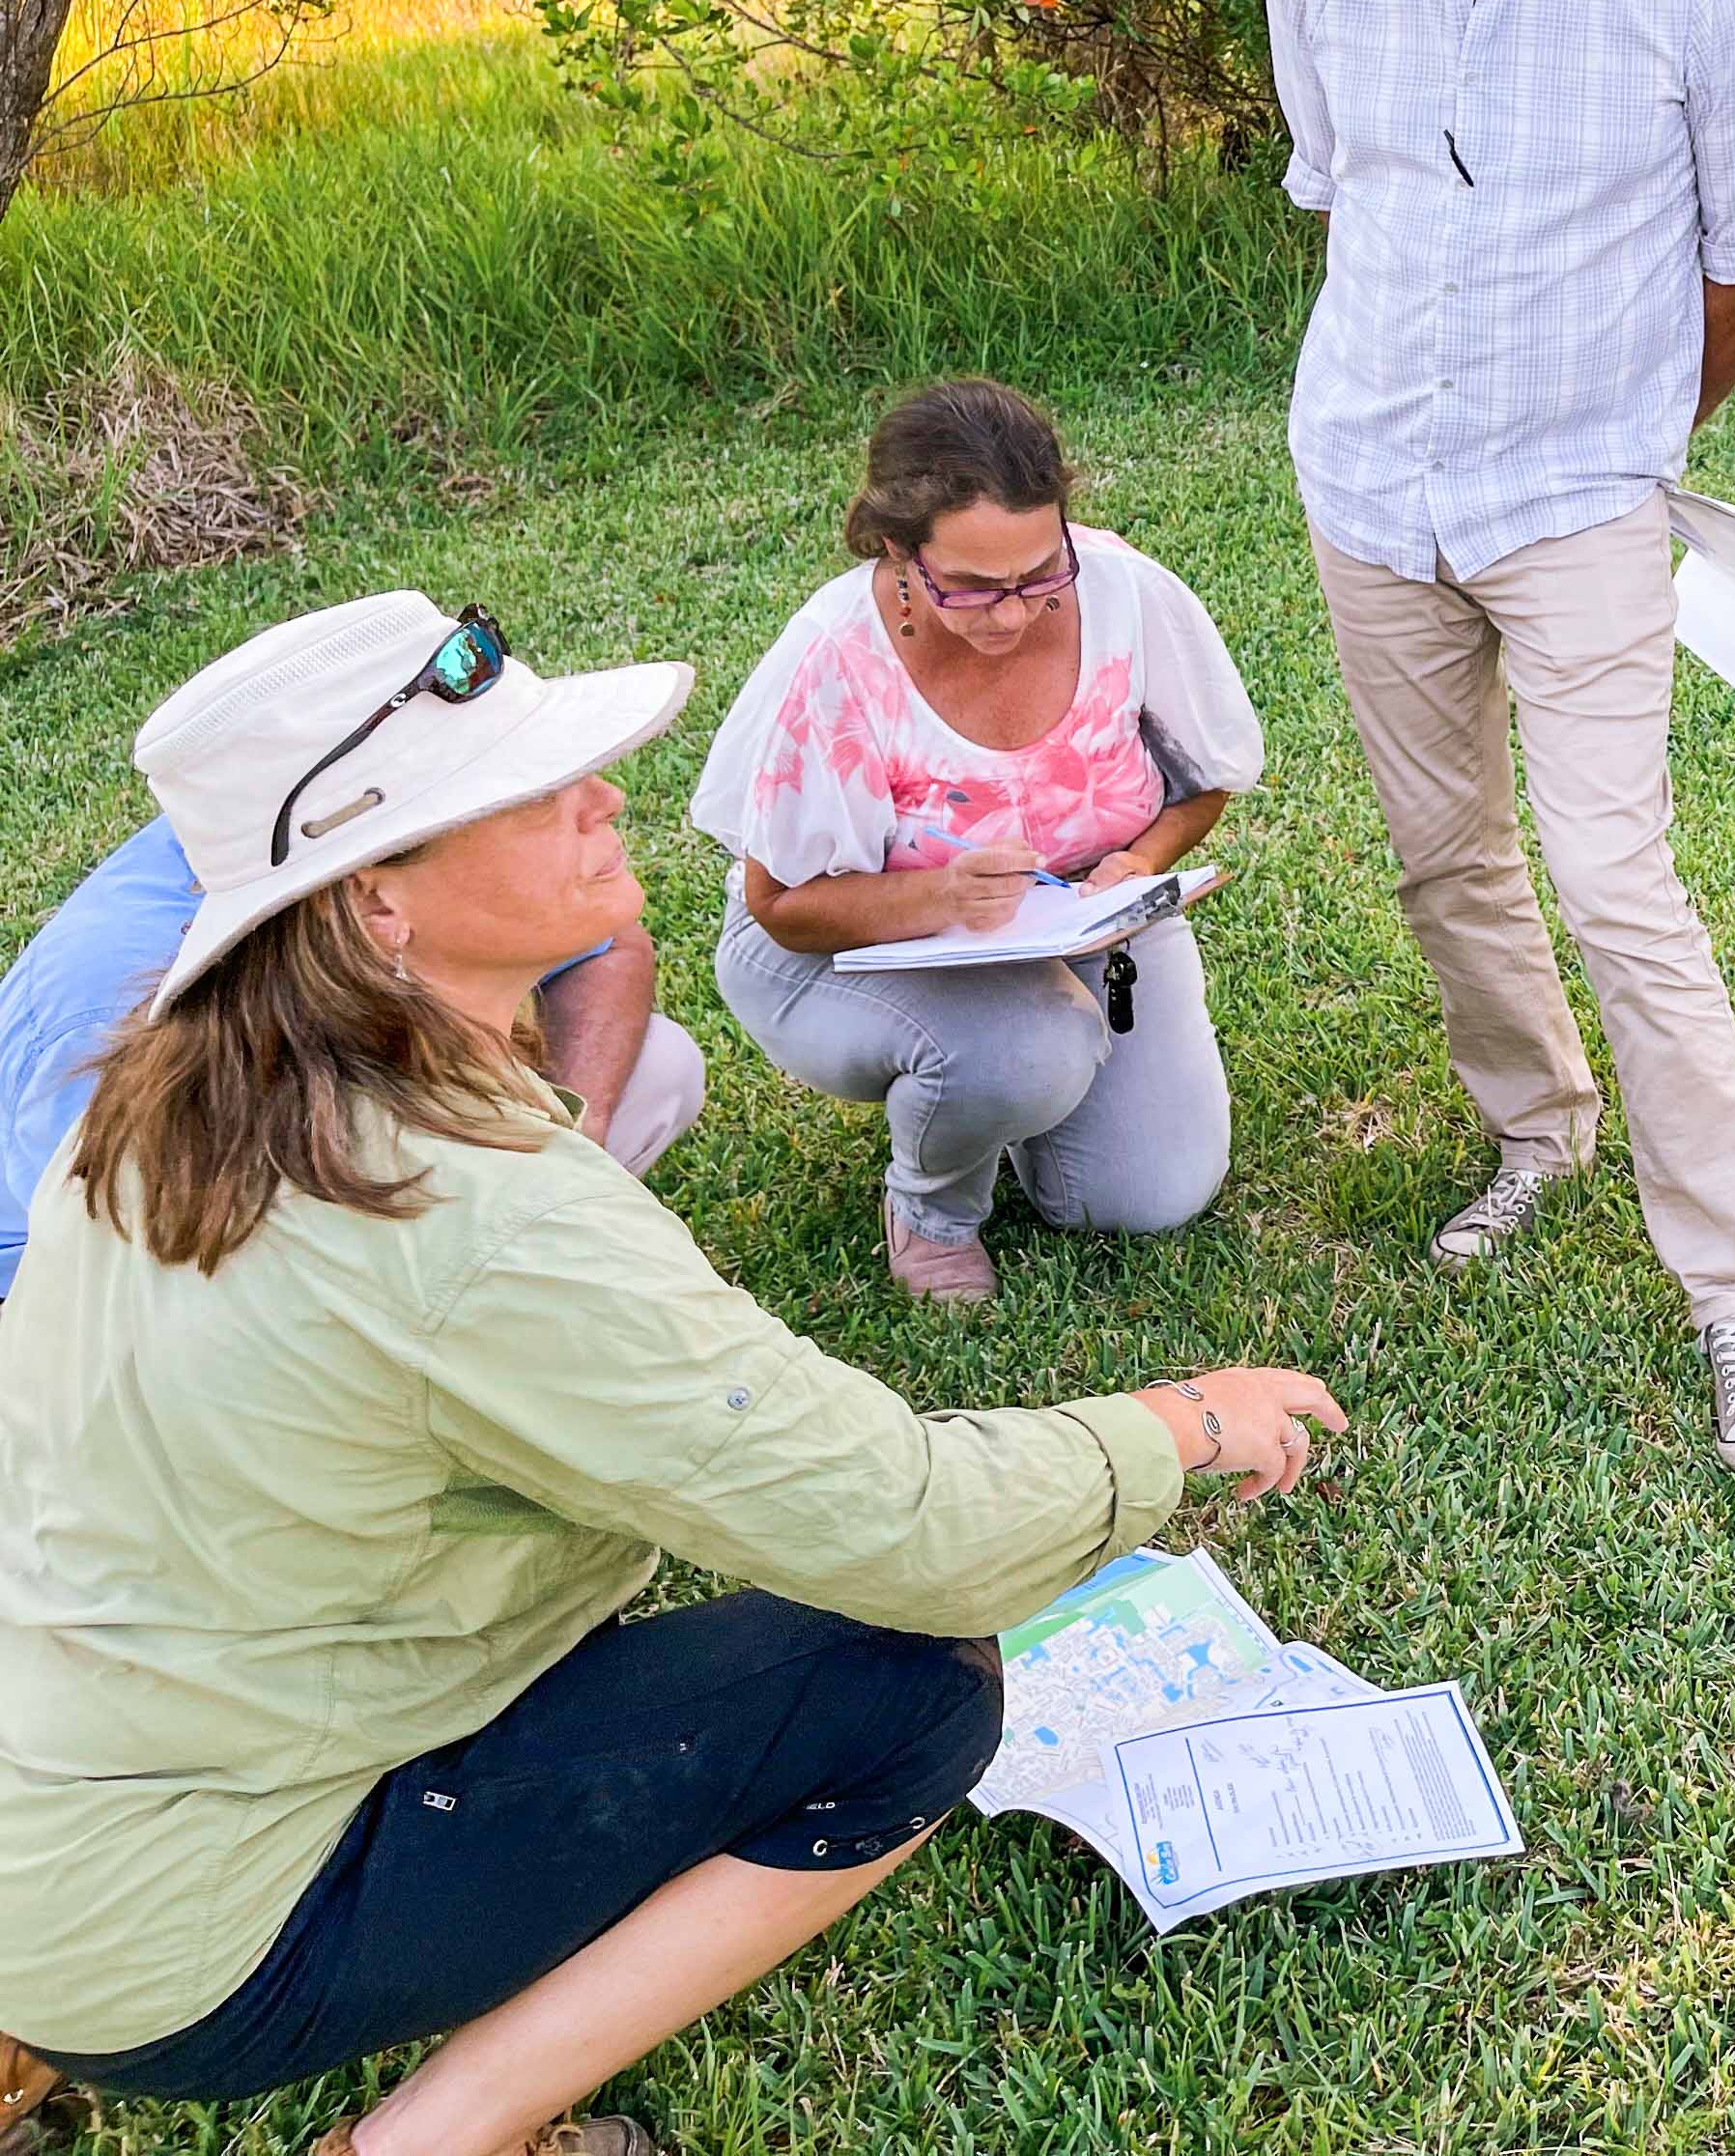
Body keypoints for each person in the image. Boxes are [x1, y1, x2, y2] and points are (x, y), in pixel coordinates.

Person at [0, 590, 1343, 2156]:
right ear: (376, 901)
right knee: (905, 1691)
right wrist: (1178, 1423)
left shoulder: (169, 1092)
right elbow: (911, 1525)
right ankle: (433, 2138)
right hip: (193, 1941)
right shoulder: (468, 1208)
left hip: (57, 1802)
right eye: (525, 787)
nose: (605, 792)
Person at [1239, 0, 1735, 1474]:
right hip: (1367, 483)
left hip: (1576, 501)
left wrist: (1635, 438)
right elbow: (1356, 205)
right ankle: (1534, 1126)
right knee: (1443, 858)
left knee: (1612, 884)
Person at [692, 380, 1264, 1307]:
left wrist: (1137, 864)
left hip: (1075, 921)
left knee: (1146, 1197)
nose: (1011, 614)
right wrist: (945, 897)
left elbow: (1208, 784)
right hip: (847, 947)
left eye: (1042, 575)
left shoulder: (1124, 590)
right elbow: (783, 907)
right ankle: (934, 1207)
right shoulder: (836, 656)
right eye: (971, 587)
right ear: (897, 552)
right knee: (1029, 1051)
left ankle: (1006, 1088)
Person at [0, 814, 700, 1309]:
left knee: (657, 1064)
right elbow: (117, 1287)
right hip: (98, 1287)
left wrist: (568, 1155)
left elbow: (613, 949)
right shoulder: (100, 1021)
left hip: (328, 1171)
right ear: (369, 894)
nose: (606, 800)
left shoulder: (341, 850)